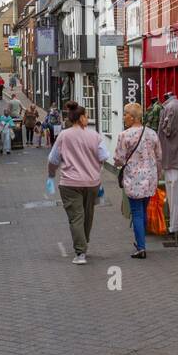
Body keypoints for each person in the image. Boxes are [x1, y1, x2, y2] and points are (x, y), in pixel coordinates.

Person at [47, 102, 110, 264]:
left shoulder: (63, 136)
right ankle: (83, 243)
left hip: (69, 183)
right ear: (81, 118)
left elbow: (53, 159)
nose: (87, 118)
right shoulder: (95, 136)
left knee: (76, 217)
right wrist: (96, 169)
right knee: (87, 215)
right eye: (86, 116)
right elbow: (104, 156)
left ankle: (80, 253)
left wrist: (51, 176)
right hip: (91, 183)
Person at [113, 102, 162, 259]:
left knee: (137, 213)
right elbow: (159, 156)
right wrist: (157, 173)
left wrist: (119, 163)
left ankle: (141, 247)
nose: (123, 117)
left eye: (125, 114)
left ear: (133, 117)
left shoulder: (124, 136)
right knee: (143, 210)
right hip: (150, 179)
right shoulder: (152, 134)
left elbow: (119, 159)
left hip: (134, 179)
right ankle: (141, 242)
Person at [158, 89, 178, 235]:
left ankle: (174, 226)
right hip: (174, 157)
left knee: (174, 193)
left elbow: (167, 130)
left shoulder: (171, 107)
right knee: (173, 193)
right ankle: (173, 226)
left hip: (174, 157)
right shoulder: (175, 106)